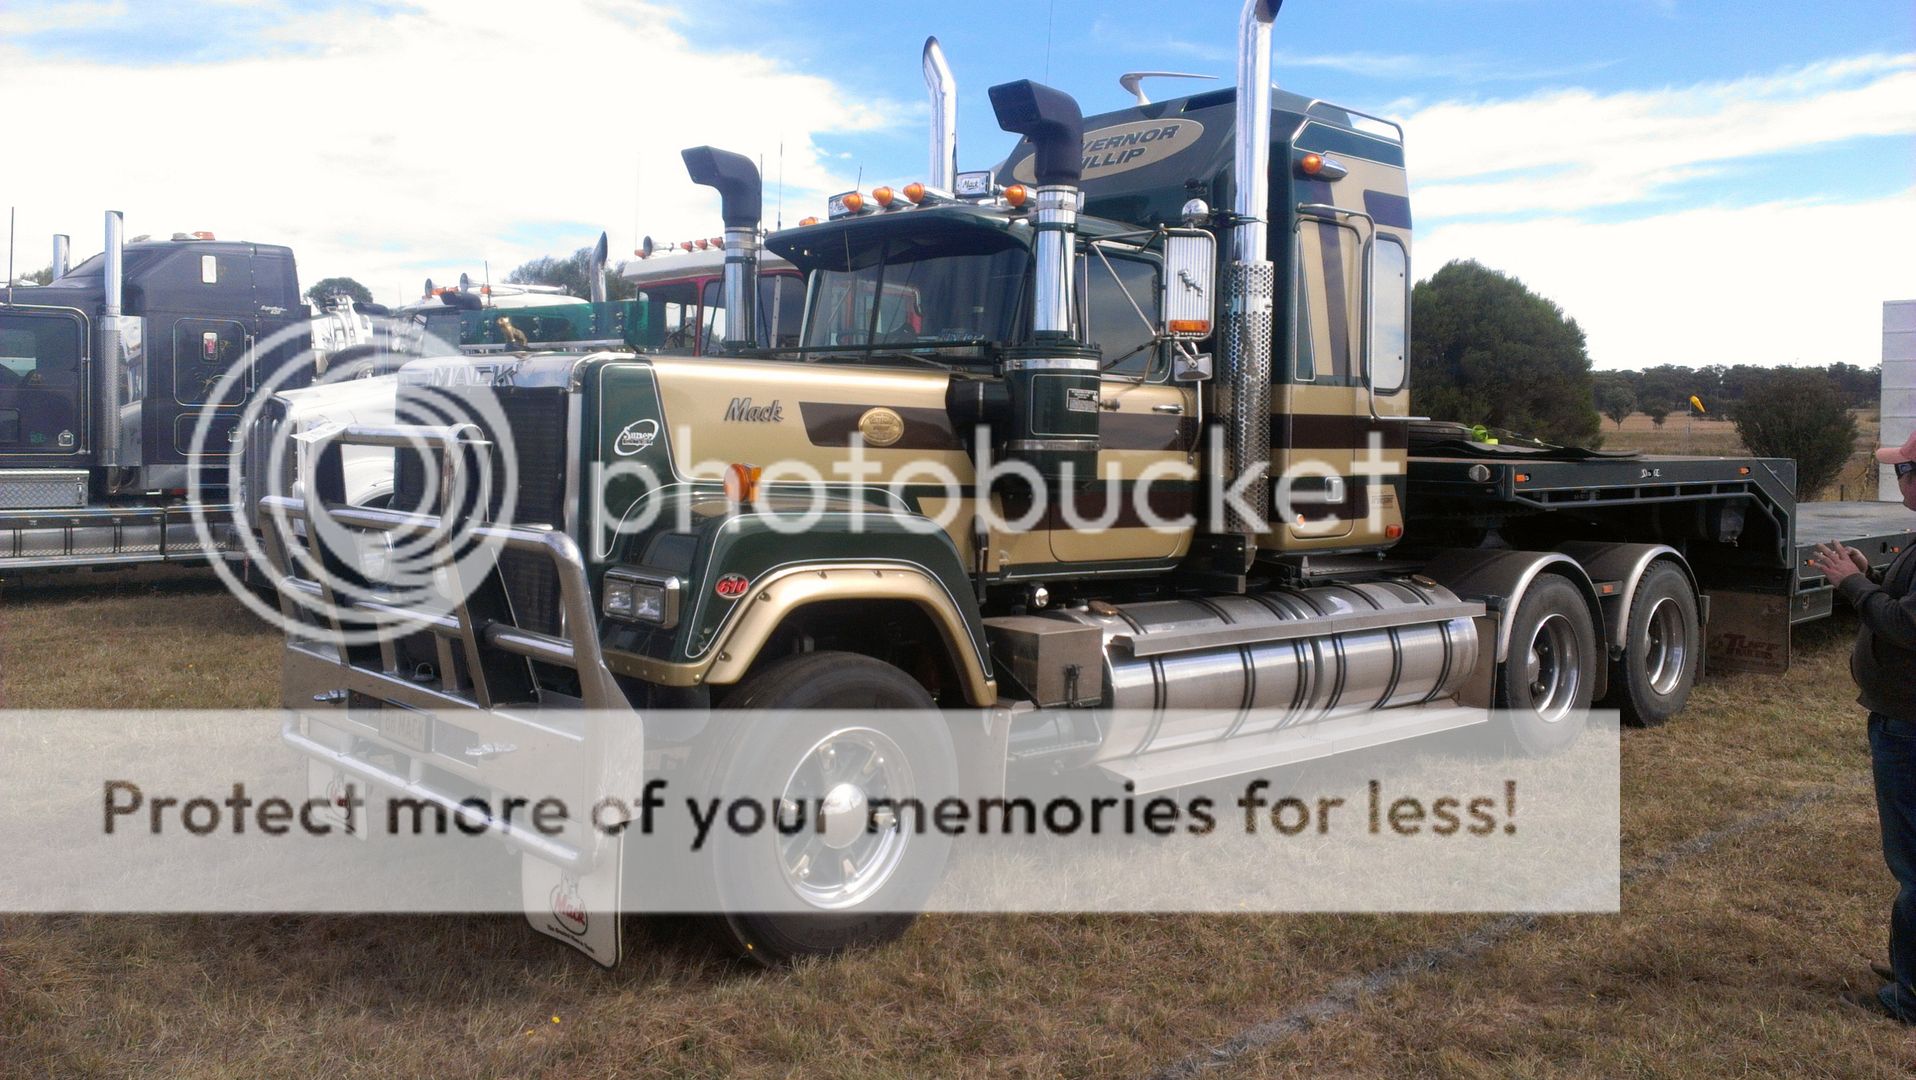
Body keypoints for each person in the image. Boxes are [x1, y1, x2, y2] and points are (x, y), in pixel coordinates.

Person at [1810, 430, 1916, 1024]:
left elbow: (1906, 626)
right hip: (1903, 720)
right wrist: (1869, 577)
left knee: (1914, 864)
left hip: (1911, 727)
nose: (1898, 480)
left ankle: (1911, 995)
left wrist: (1852, 586)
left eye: (1904, 470)